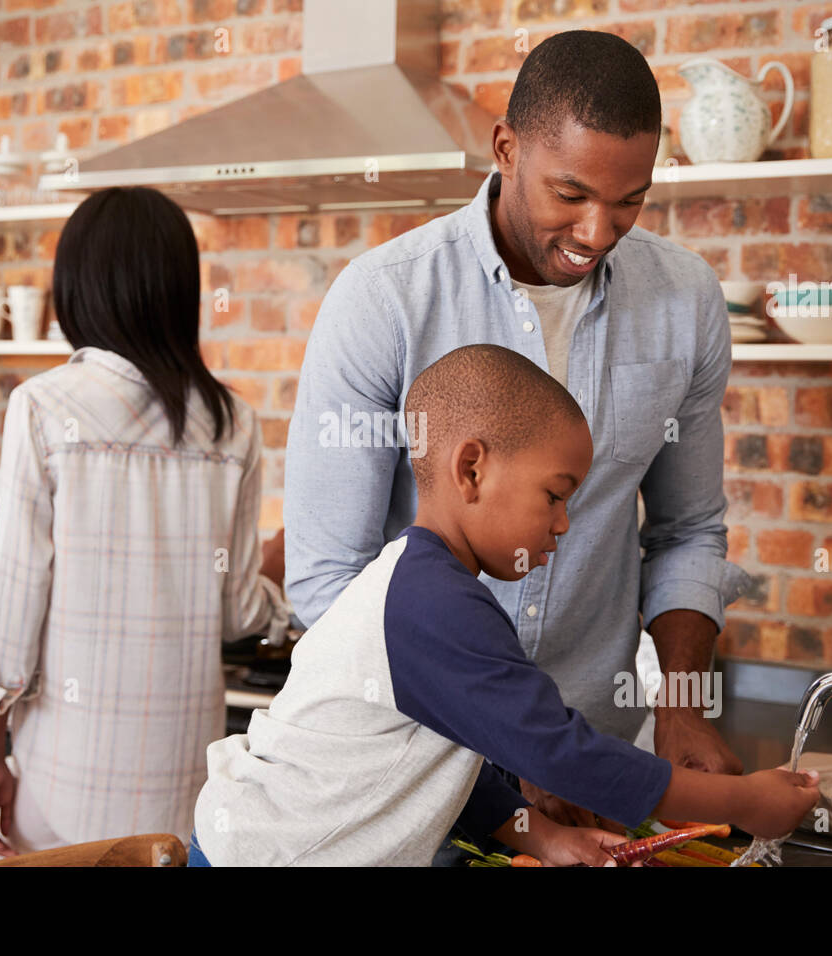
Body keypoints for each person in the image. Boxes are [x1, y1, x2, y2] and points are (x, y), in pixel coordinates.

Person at [283, 31, 752, 846]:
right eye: (569, 193)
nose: (599, 231)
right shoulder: (383, 302)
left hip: (597, 764)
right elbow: (333, 585)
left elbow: (687, 532)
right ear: (505, 148)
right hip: (418, 784)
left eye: (630, 200)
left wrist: (680, 707)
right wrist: (504, 748)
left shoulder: (687, 301)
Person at [191, 346, 819, 866]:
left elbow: (432, 771)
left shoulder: (427, 587)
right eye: (554, 494)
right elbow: (562, 754)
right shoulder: (433, 606)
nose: (564, 523)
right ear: (472, 470)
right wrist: (742, 802)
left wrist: (547, 836)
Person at [0, 186, 290, 857]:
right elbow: (238, 615)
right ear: (178, 291)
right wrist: (282, 573)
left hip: (61, 776)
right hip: (180, 785)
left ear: (76, 288)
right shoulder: (233, 423)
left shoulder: (42, 407)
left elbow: (14, 614)